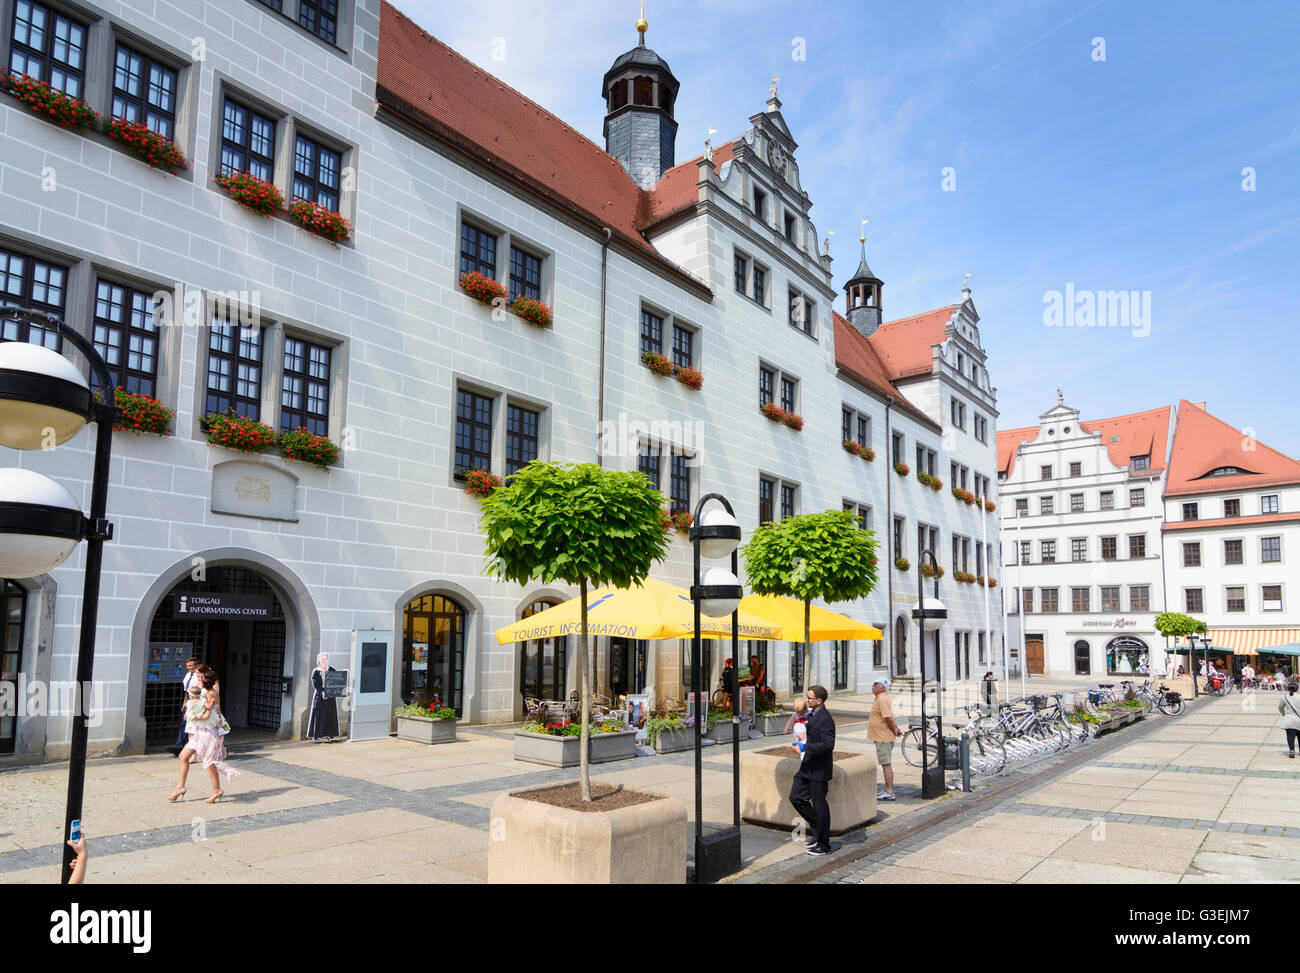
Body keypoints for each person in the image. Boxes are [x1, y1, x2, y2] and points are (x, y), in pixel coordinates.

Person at [168, 673, 240, 803]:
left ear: (205, 681)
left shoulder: (210, 693)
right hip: (199, 732)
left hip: (207, 732)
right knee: (183, 756)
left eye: (200, 678)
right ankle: (180, 787)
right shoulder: (204, 691)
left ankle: (216, 790)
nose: (197, 680)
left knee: (210, 762)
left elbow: (206, 714)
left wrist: (192, 716)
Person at [789, 685, 835, 856]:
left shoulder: (826, 718)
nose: (807, 700)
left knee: (820, 805)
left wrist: (805, 746)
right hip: (808, 766)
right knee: (796, 797)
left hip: (819, 769)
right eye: (807, 697)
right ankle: (819, 829)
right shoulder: (813, 714)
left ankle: (824, 845)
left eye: (810, 698)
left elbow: (829, 744)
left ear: (819, 701)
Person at [868, 677, 903, 801]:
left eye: (875, 684)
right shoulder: (881, 698)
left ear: (882, 687)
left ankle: (889, 791)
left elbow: (888, 718)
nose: (873, 685)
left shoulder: (882, 699)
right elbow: (889, 717)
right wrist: (896, 729)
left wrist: (894, 730)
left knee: (886, 764)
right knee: (885, 763)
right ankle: (888, 789)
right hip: (882, 736)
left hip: (883, 737)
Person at [168, 658, 201, 757]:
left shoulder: (199, 676)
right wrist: (184, 703)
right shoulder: (188, 675)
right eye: (187, 666)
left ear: (196, 666)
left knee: (193, 726)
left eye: (190, 666)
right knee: (184, 723)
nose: (188, 668)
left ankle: (193, 748)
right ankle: (179, 746)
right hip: (188, 700)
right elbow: (186, 691)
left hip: (196, 701)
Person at [308, 652, 340, 742]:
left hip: (330, 696)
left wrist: (345, 672)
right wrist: (322, 692)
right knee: (318, 715)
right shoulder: (316, 671)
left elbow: (338, 677)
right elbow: (315, 683)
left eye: (325, 658)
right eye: (322, 658)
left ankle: (330, 735)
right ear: (319, 659)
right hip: (319, 696)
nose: (324, 660)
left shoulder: (331, 669)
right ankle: (316, 736)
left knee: (330, 715)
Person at [1279, 683, 1300, 759]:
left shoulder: (1284, 697)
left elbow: (1280, 707)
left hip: (1289, 720)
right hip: (1299, 720)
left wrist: (1283, 713)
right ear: (1297, 689)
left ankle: (1292, 750)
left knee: (1290, 736)